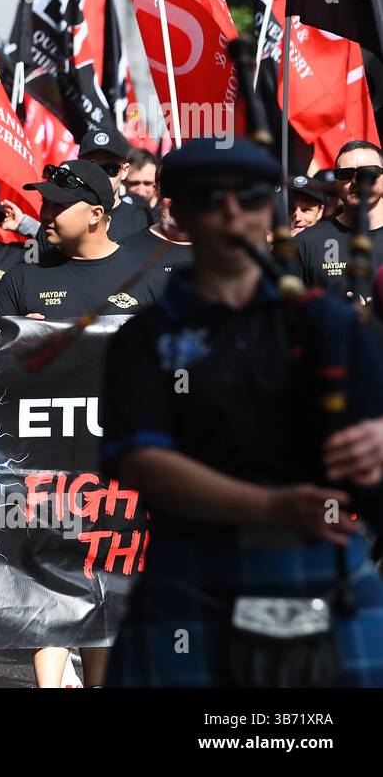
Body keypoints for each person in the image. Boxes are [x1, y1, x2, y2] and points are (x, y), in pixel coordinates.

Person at [101, 137, 383, 687]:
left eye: (251, 196)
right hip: (194, 579)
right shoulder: (149, 337)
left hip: (324, 574)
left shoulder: (327, 323)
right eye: (211, 196)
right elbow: (141, 463)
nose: (233, 211)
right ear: (175, 207)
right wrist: (273, 505)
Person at [0, 160, 155, 321]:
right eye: (44, 203)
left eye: (59, 205)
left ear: (95, 214)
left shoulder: (148, 276)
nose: (45, 214)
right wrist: (20, 336)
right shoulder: (19, 279)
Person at [293, 141, 383, 302]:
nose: (356, 180)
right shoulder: (305, 243)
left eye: (368, 173)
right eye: (346, 174)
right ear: (336, 183)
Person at [76, 129, 153, 242]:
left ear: (125, 170)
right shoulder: (61, 216)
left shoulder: (144, 219)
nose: (99, 175)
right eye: (91, 167)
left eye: (110, 169)